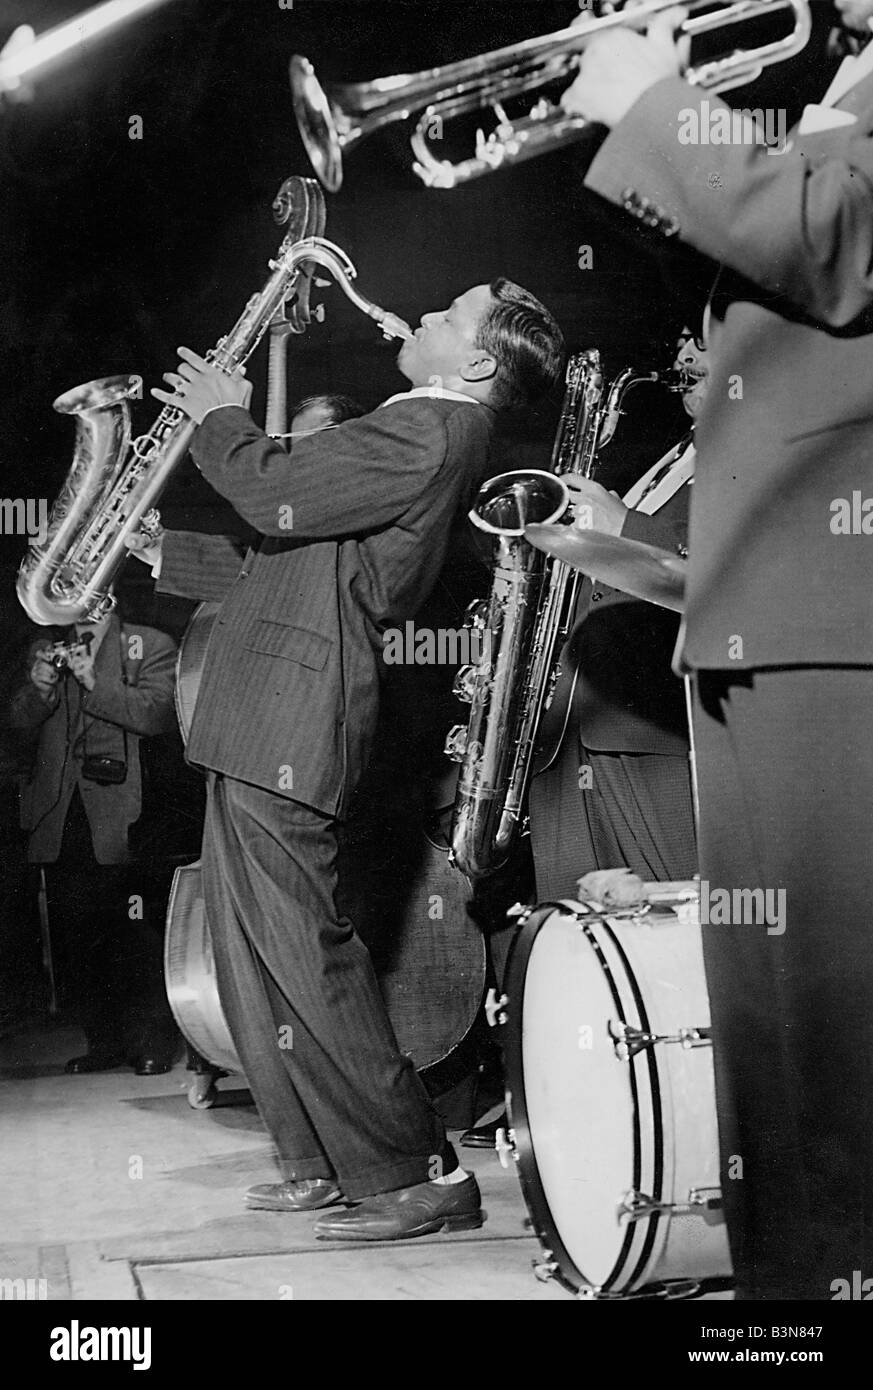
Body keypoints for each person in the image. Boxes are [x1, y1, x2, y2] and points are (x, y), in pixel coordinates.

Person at [127, 280, 565, 1241]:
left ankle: (414, 1168)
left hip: (293, 709)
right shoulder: (415, 424)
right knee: (248, 953)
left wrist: (221, 421)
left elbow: (277, 494)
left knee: (304, 947)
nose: (419, 320)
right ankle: (319, 1157)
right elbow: (287, 544)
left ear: (478, 362)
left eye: (447, 319)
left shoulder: (432, 430)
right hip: (260, 704)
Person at [558, 1, 873, 1298]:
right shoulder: (847, 75)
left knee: (838, 1046)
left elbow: (830, 239)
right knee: (770, 1047)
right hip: (770, 617)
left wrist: (655, 104)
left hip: (837, 613)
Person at [528, 326, 707, 900]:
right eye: (680, 341)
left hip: (648, 732)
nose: (683, 355)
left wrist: (624, 526)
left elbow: (729, 577)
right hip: (570, 730)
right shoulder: (675, 455)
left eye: (702, 341)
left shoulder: (757, 454)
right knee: (572, 923)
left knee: (667, 923)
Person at [8, 608, 179, 1074]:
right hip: (61, 815)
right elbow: (19, 722)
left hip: (127, 814)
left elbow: (157, 713)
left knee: (135, 933)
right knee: (77, 936)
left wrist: (93, 682)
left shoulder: (149, 642)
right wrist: (40, 687)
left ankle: (151, 1044)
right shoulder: (46, 648)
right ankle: (102, 1042)